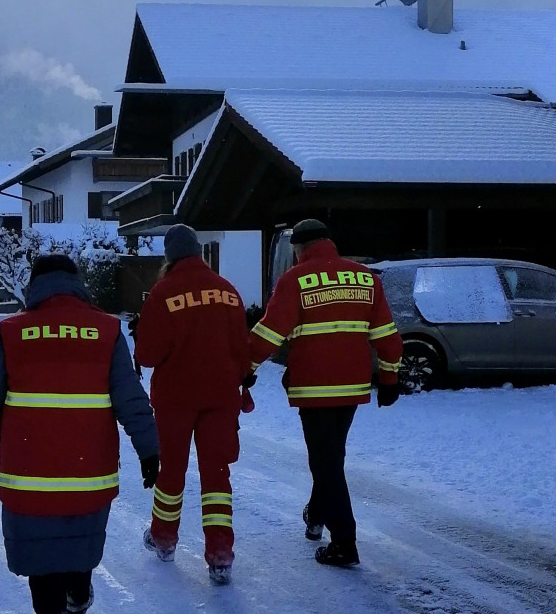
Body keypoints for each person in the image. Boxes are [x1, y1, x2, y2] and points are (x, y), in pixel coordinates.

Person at [0, 254, 159, 614]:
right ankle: (77, 593)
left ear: (35, 286)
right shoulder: (107, 331)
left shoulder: (11, 331)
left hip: (29, 472)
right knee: (79, 535)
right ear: (77, 284)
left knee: (40, 548)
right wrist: (150, 449)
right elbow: (129, 396)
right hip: (89, 469)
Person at [248, 219, 402, 567]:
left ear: (299, 249)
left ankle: (344, 542)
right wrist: (390, 379)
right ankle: (316, 514)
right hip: (353, 386)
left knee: (325, 462)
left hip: (314, 387)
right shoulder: (365, 278)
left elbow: (269, 334)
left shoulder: (295, 280)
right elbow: (388, 336)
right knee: (331, 457)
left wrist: (246, 370)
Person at [132, 224, 252, 585]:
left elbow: (148, 355)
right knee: (217, 476)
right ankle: (220, 555)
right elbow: (241, 350)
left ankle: (164, 539)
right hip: (220, 397)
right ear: (198, 252)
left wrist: (142, 331)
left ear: (169, 256)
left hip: (175, 399)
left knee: (171, 471)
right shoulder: (227, 291)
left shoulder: (163, 293)